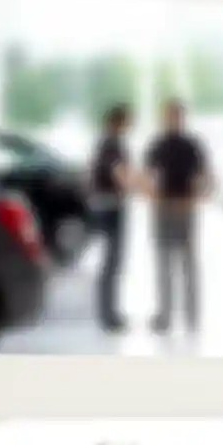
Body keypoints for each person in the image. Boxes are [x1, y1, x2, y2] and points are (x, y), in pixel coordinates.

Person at [144, 99, 212, 334]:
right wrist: (152, 196)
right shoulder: (157, 145)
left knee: (188, 263)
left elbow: (206, 174)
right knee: (163, 264)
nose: (173, 119)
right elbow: (147, 175)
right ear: (164, 118)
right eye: (169, 115)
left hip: (185, 208)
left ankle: (192, 317)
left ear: (183, 118)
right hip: (162, 209)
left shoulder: (192, 145)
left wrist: (198, 196)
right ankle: (165, 316)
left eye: (177, 115)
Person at [89, 104, 133, 332]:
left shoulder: (104, 142)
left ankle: (108, 313)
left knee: (110, 261)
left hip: (103, 204)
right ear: (119, 121)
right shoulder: (113, 143)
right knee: (113, 261)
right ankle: (109, 316)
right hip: (112, 206)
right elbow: (119, 174)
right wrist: (139, 188)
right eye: (128, 120)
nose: (130, 125)